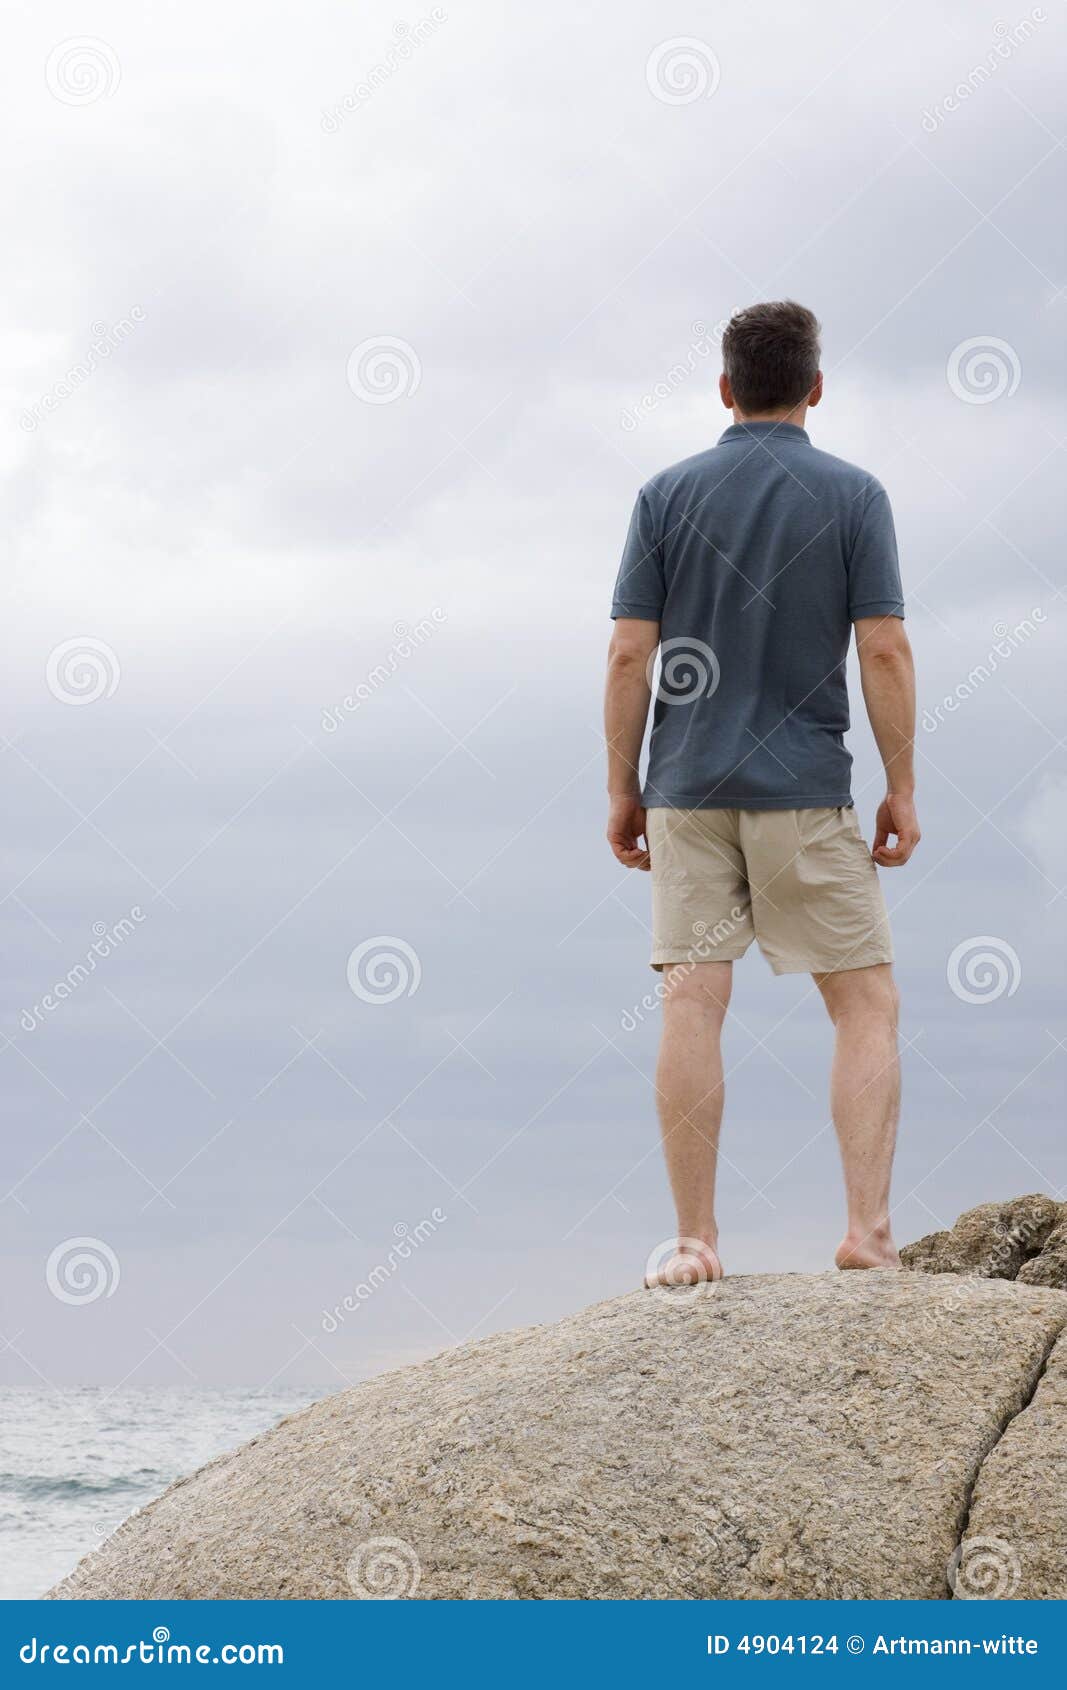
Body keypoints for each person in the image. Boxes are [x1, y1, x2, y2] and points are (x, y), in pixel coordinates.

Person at [604, 301, 919, 1287]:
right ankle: (865, 1230)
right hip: (803, 787)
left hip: (686, 786)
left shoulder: (664, 495)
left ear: (725, 389)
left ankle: (693, 1242)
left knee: (691, 1002)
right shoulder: (854, 496)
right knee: (863, 1003)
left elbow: (627, 654)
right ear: (814, 389)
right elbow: (882, 646)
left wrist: (624, 788)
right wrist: (899, 785)